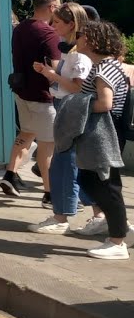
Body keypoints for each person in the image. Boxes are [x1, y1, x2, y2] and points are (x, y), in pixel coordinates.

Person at [29, 2, 102, 234]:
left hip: (72, 109)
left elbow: (77, 88)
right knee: (75, 164)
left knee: (64, 163)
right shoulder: (71, 51)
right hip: (68, 106)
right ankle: (96, 215)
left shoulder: (78, 56)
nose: (53, 26)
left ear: (71, 24)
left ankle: (62, 216)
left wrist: (51, 74)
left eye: (58, 22)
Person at [65, 20, 129, 259]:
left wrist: (77, 106)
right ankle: (118, 230)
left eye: (81, 35)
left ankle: (118, 241)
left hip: (105, 134)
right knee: (92, 180)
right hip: (103, 133)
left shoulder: (103, 69)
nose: (77, 38)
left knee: (104, 185)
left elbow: (105, 103)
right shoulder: (105, 65)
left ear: (92, 41)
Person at [2, 0, 62, 198]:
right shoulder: (48, 33)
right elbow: (56, 67)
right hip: (43, 96)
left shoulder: (21, 28)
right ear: (51, 8)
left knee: (26, 133)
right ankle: (49, 193)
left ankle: (10, 174)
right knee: (48, 145)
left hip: (22, 91)